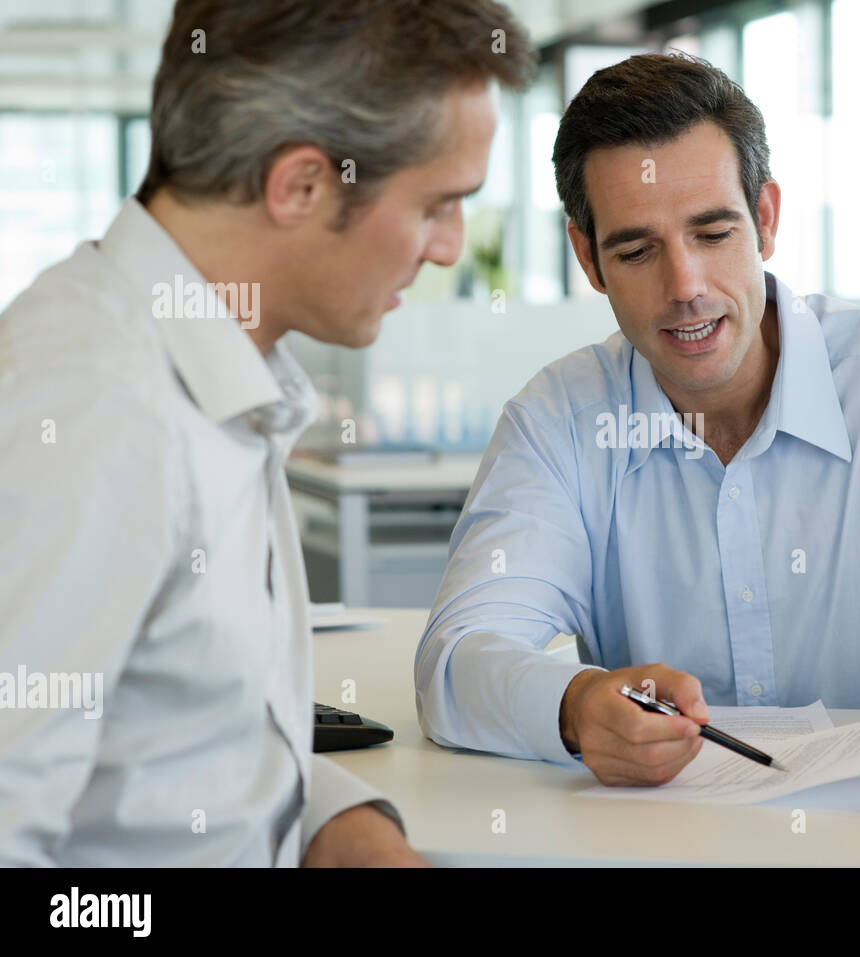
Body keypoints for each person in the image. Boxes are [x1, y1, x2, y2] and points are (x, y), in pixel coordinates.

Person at [0, 0, 535, 866]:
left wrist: (335, 818)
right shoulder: (95, 414)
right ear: (302, 186)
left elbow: (171, 741)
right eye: (439, 204)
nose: (451, 248)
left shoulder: (205, 372)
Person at [415, 53, 860, 786]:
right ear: (588, 259)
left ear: (766, 219)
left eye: (713, 234)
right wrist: (576, 702)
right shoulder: (559, 421)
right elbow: (458, 655)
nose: (684, 287)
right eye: (636, 249)